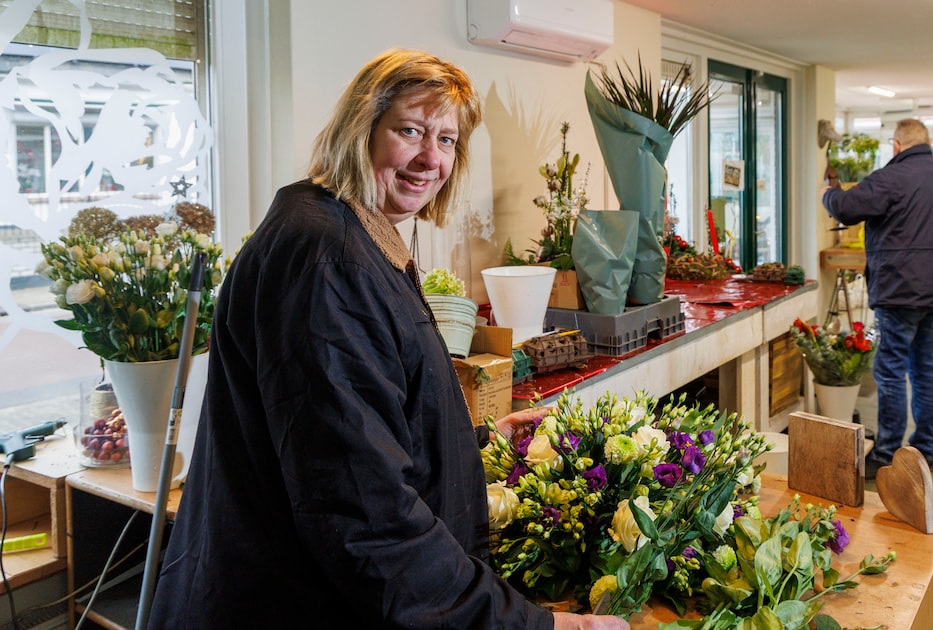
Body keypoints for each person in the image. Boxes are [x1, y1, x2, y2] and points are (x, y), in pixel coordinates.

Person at [148, 50, 628, 630]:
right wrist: (537, 626)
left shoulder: (354, 237)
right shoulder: (328, 261)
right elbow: (362, 510)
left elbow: (357, 424)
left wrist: (468, 440)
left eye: (448, 140)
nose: (431, 158)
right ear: (361, 128)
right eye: (410, 131)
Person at [820, 118, 933, 479]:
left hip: (899, 291)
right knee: (924, 371)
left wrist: (827, 190)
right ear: (927, 143)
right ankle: (926, 450)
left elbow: (845, 207)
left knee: (890, 372)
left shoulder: (891, 178)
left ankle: (887, 452)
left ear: (897, 145)